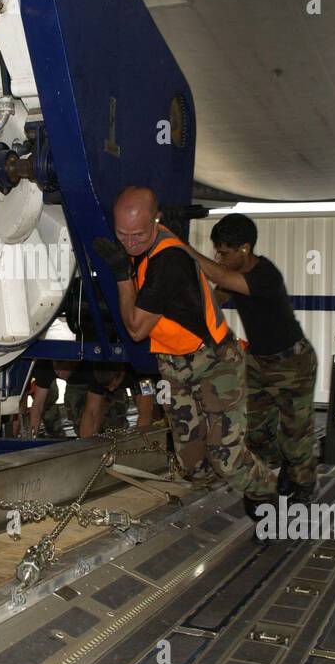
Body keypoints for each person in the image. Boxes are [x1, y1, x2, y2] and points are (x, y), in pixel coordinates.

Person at [93, 187, 276, 510]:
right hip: (174, 365)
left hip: (214, 363)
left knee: (227, 458)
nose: (130, 243)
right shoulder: (146, 239)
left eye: (138, 234)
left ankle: (274, 499)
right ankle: (205, 510)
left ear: (156, 221)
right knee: (190, 461)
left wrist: (122, 275)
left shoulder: (170, 262)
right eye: (122, 234)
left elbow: (136, 330)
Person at [178, 214, 319, 503]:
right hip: (257, 363)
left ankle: (303, 483)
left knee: (296, 434)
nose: (219, 256)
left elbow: (218, 275)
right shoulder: (235, 278)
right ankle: (278, 468)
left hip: (293, 365)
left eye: (224, 251)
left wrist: (182, 247)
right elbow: (216, 301)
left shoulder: (264, 275)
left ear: (244, 248)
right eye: (217, 250)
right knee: (252, 430)